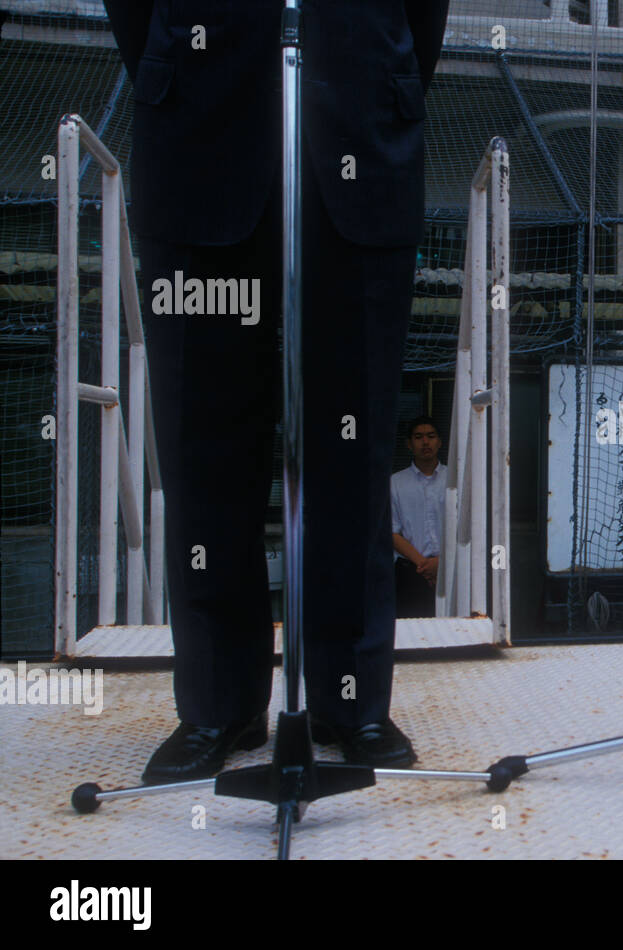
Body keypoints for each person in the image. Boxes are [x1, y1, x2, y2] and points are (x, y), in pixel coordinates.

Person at [103, 1, 451, 782]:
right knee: (203, 443)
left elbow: (423, 13)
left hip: (359, 124)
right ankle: (219, 705)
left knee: (351, 446)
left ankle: (349, 698)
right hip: (197, 125)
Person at [391, 417, 447, 618]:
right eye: (418, 437)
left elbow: (465, 529)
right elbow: (392, 533)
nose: (425, 442)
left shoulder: (455, 480)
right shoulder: (395, 483)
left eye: (431, 436)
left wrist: (441, 563)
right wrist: (425, 566)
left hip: (450, 569)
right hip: (410, 573)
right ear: (409, 444)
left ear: (439, 442)